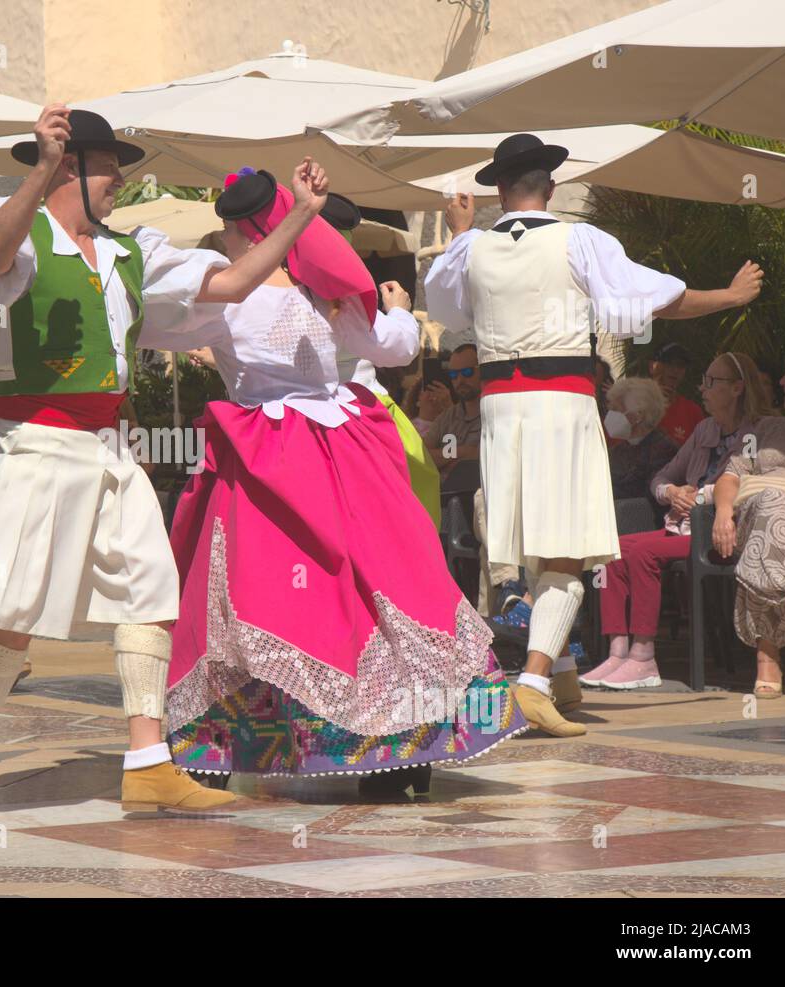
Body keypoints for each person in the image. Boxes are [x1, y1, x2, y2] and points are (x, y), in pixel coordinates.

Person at [0, 106, 335, 820]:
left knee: (151, 589)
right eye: (109, 165)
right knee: (13, 612)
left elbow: (234, 283)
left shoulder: (129, 255)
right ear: (68, 169)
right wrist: (37, 171)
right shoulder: (24, 242)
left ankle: (147, 761)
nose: (121, 178)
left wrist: (301, 216)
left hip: (111, 446)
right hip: (40, 442)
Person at [164, 168, 526, 789]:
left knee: (255, 596)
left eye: (227, 230)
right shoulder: (322, 288)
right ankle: (397, 754)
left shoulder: (221, 293)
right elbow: (394, 349)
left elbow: (160, 328)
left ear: (236, 231)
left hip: (267, 453)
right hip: (338, 449)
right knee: (381, 588)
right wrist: (398, 311)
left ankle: (221, 750)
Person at [426, 133, 763, 736]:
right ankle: (531, 684)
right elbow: (656, 298)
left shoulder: (470, 248)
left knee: (530, 541)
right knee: (566, 548)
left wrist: (459, 233)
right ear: (550, 188)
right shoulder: (578, 239)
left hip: (501, 406)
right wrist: (729, 297)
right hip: (560, 403)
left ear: (498, 192)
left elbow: (448, 311)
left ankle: (558, 674)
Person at [587, 352, 769, 689]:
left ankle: (643, 657)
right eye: (704, 380)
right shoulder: (703, 430)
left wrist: (699, 496)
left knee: (642, 553)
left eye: (712, 382)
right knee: (615, 547)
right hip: (682, 526)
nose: (702, 388)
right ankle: (618, 651)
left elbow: (752, 483)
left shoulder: (757, 432)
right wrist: (671, 492)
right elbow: (660, 477)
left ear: (737, 388)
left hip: (722, 530)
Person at [326, 191, 441, 528]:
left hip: (285, 424)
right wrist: (399, 312)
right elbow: (399, 349)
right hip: (356, 416)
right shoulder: (340, 293)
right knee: (404, 507)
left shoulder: (274, 287)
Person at [712, 348, 785, 699]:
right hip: (756, 518)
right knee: (772, 503)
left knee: (777, 512)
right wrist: (722, 513)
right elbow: (731, 477)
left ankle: (768, 656)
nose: (781, 382)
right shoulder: (768, 428)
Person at [605, 377, 679, 503]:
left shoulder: (664, 450)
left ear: (638, 415)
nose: (610, 414)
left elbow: (647, 496)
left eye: (616, 409)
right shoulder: (616, 451)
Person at [424, 343, 482, 479]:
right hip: (444, 495)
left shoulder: (495, 415)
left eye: (467, 372)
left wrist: (442, 458)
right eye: (453, 374)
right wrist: (460, 451)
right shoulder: (447, 417)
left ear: (482, 370)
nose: (460, 380)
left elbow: (486, 455)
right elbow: (424, 456)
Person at [649, 342, 705, 446]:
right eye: (668, 363)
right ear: (652, 366)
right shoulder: (633, 404)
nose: (675, 370)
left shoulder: (693, 412)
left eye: (680, 365)